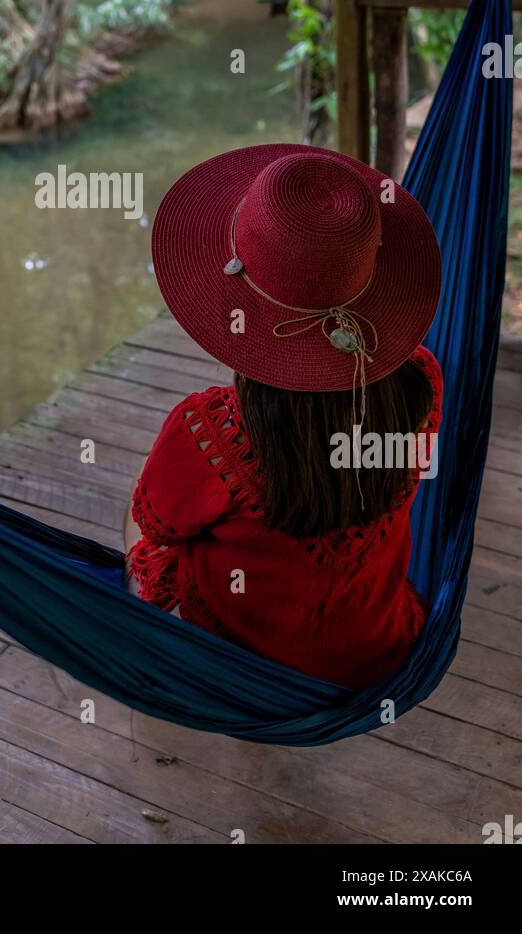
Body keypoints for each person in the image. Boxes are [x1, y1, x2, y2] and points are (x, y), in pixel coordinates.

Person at [124, 144, 443, 690]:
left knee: (142, 511)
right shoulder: (421, 382)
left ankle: (148, 659)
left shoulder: (206, 432)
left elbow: (156, 527)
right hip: (376, 645)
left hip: (242, 664)